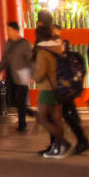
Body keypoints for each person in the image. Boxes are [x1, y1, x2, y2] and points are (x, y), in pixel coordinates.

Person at [33, 24, 71, 158]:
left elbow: (40, 73)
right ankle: (60, 145)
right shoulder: (58, 48)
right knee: (57, 118)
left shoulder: (43, 52)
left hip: (47, 89)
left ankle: (62, 143)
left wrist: (35, 77)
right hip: (59, 87)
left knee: (42, 118)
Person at [0, 22, 36, 132]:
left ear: (16, 31)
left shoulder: (25, 43)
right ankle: (32, 113)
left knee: (20, 99)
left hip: (23, 74)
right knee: (15, 99)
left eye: (9, 30)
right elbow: (5, 58)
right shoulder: (8, 43)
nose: (8, 32)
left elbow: (30, 60)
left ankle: (22, 124)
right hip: (11, 74)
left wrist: (32, 75)